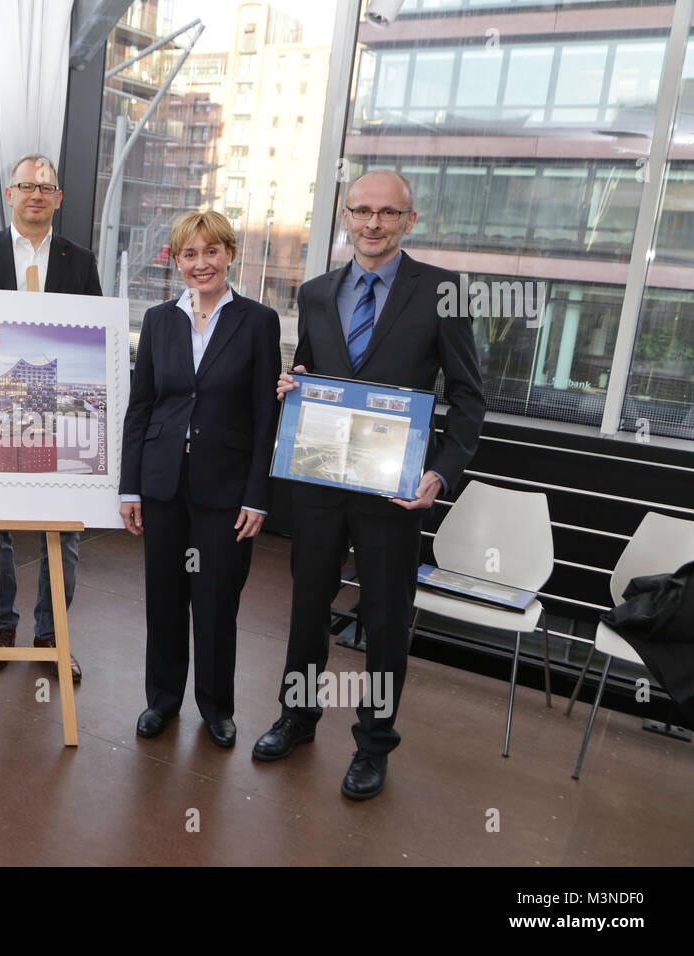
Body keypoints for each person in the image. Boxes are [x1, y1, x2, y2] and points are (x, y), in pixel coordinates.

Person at [253, 169, 485, 798]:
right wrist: (294, 385)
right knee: (306, 611)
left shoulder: (444, 292)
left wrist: (439, 472)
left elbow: (468, 400)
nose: (374, 223)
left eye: (388, 213)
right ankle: (297, 718)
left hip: (396, 490)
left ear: (409, 221)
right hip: (323, 484)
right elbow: (319, 371)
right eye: (362, 211)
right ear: (346, 217)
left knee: (384, 621)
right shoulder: (318, 292)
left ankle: (374, 744)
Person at [119, 210, 281, 748]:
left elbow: (265, 416)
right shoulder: (160, 320)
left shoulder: (258, 322)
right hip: (163, 482)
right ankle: (161, 701)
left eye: (211, 251)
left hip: (225, 488)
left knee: (216, 602)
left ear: (230, 254)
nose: (201, 263)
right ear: (176, 261)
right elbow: (140, 408)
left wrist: (258, 495)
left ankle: (216, 707)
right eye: (190, 254)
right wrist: (130, 486)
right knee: (164, 598)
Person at [0, 153, 102, 682]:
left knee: (65, 530)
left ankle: (51, 635)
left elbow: (94, 337)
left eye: (46, 187)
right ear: (9, 195)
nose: (36, 194)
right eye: (25, 185)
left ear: (58, 199)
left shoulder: (80, 261)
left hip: (57, 413)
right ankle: (1, 627)